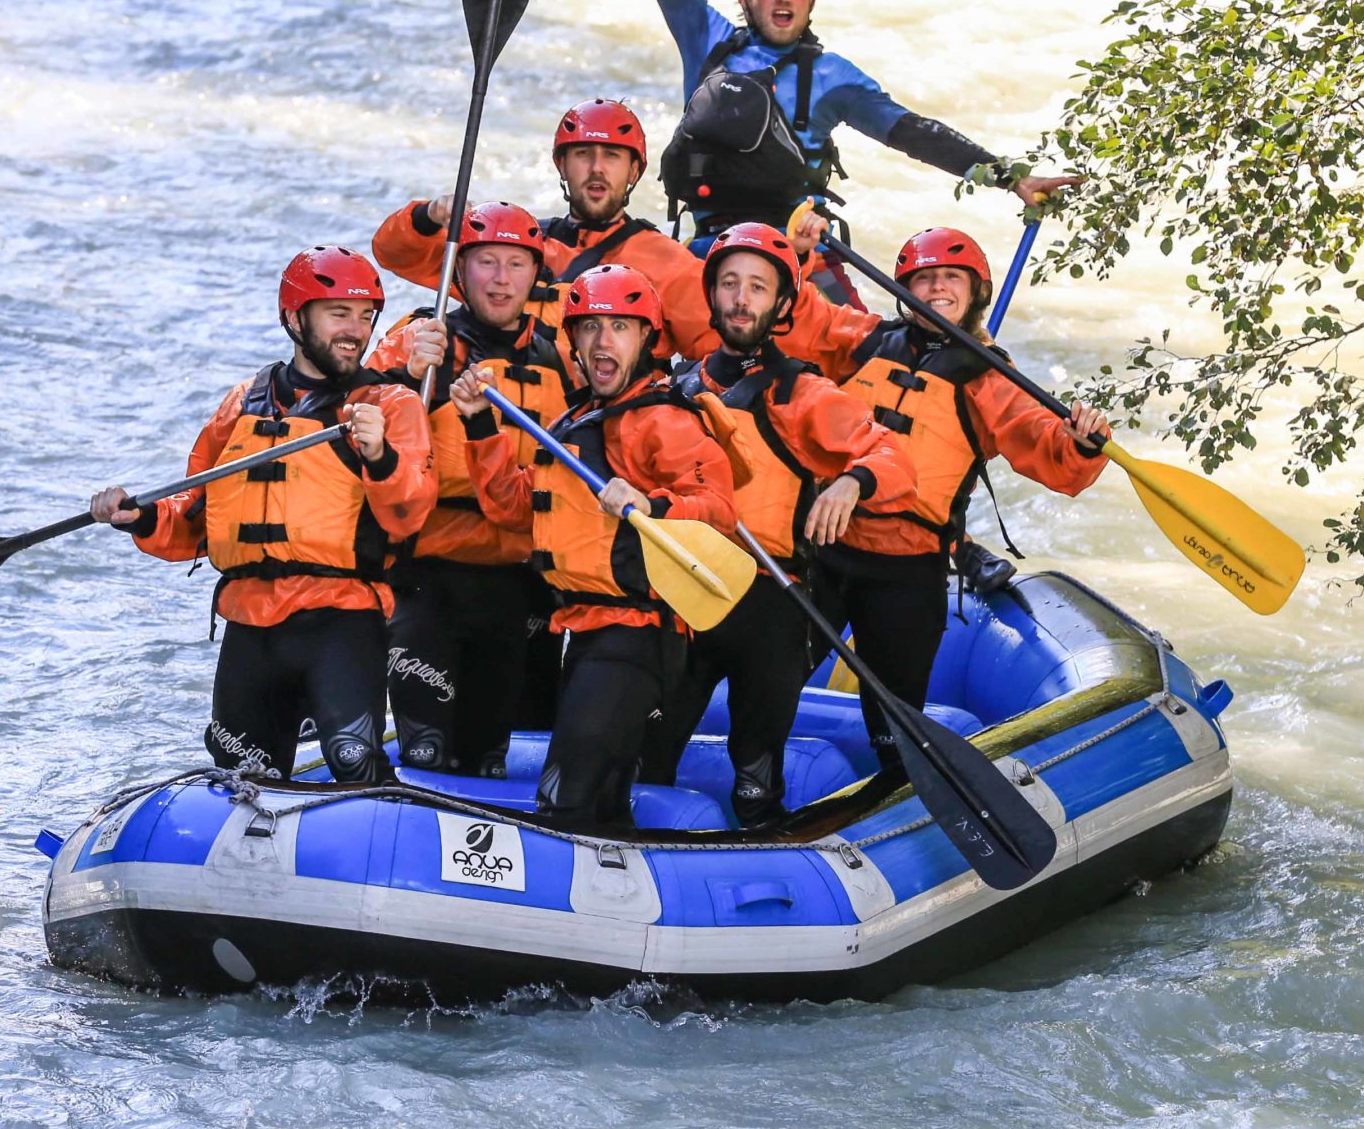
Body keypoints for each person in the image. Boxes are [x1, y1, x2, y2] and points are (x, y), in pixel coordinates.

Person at [90, 247, 437, 782]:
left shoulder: (389, 405)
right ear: (295, 318)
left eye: (366, 316)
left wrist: (380, 456)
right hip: (250, 627)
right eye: (338, 314)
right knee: (239, 774)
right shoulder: (241, 405)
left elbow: (409, 514)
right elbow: (193, 518)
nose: (356, 330)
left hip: (342, 621)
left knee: (354, 763)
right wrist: (139, 517)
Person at [639, 222, 914, 825]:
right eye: (730, 283)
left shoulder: (803, 392)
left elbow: (893, 459)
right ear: (711, 294)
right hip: (681, 594)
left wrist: (851, 480)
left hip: (769, 604)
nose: (741, 299)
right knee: (645, 760)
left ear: (784, 302)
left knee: (755, 782)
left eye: (758, 288)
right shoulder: (672, 386)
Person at [814, 227, 1114, 766]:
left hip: (907, 568)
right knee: (765, 676)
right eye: (923, 280)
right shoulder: (863, 341)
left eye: (951, 278)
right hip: (821, 544)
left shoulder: (990, 378)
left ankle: (897, 794)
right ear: (903, 289)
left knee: (893, 724)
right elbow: (796, 321)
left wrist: (1082, 443)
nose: (936, 290)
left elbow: (1045, 448)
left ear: (976, 292)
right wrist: (798, 249)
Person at [452, 264, 738, 826]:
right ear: (574, 343)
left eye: (621, 327)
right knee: (600, 795)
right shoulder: (574, 423)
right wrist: (480, 426)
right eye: (590, 328)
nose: (603, 341)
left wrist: (654, 503)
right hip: (585, 634)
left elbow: (720, 508)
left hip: (639, 637)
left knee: (566, 795)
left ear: (646, 338)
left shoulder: (662, 419)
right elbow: (514, 510)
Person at [635, 0, 1078, 243]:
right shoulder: (706, 40)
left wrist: (1010, 178)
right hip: (711, 244)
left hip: (798, 244)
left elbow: (913, 133)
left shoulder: (835, 78)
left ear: (811, 0)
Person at [365, 202, 574, 778]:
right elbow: (347, 412)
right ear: (459, 272)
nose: (502, 278)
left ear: (536, 275)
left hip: (522, 588)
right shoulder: (424, 340)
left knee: (491, 759)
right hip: (429, 579)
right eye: (486, 262)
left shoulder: (563, 355)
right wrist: (405, 376)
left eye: (515, 264)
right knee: (428, 753)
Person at [372, 100, 716, 359]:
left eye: (612, 155)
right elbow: (395, 253)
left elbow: (716, 352)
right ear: (561, 165)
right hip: (495, 419)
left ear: (633, 171)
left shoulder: (670, 263)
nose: (597, 168)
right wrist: (429, 215)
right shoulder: (514, 246)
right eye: (583, 154)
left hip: (604, 435)